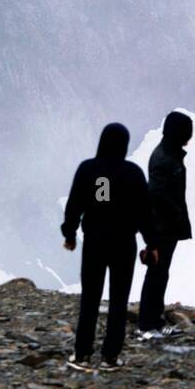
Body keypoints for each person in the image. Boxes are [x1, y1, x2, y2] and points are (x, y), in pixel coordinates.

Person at [61, 122, 156, 370]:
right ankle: (110, 357)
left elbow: (74, 206)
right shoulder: (133, 173)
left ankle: (81, 354)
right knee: (118, 300)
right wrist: (152, 243)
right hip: (124, 243)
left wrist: (69, 234)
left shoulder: (87, 169)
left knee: (90, 298)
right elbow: (145, 213)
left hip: (94, 241)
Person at [137, 110, 193, 339]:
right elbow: (158, 195)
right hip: (162, 228)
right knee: (157, 273)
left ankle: (153, 320)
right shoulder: (164, 159)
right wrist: (176, 215)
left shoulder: (167, 155)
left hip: (165, 226)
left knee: (160, 273)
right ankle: (148, 323)